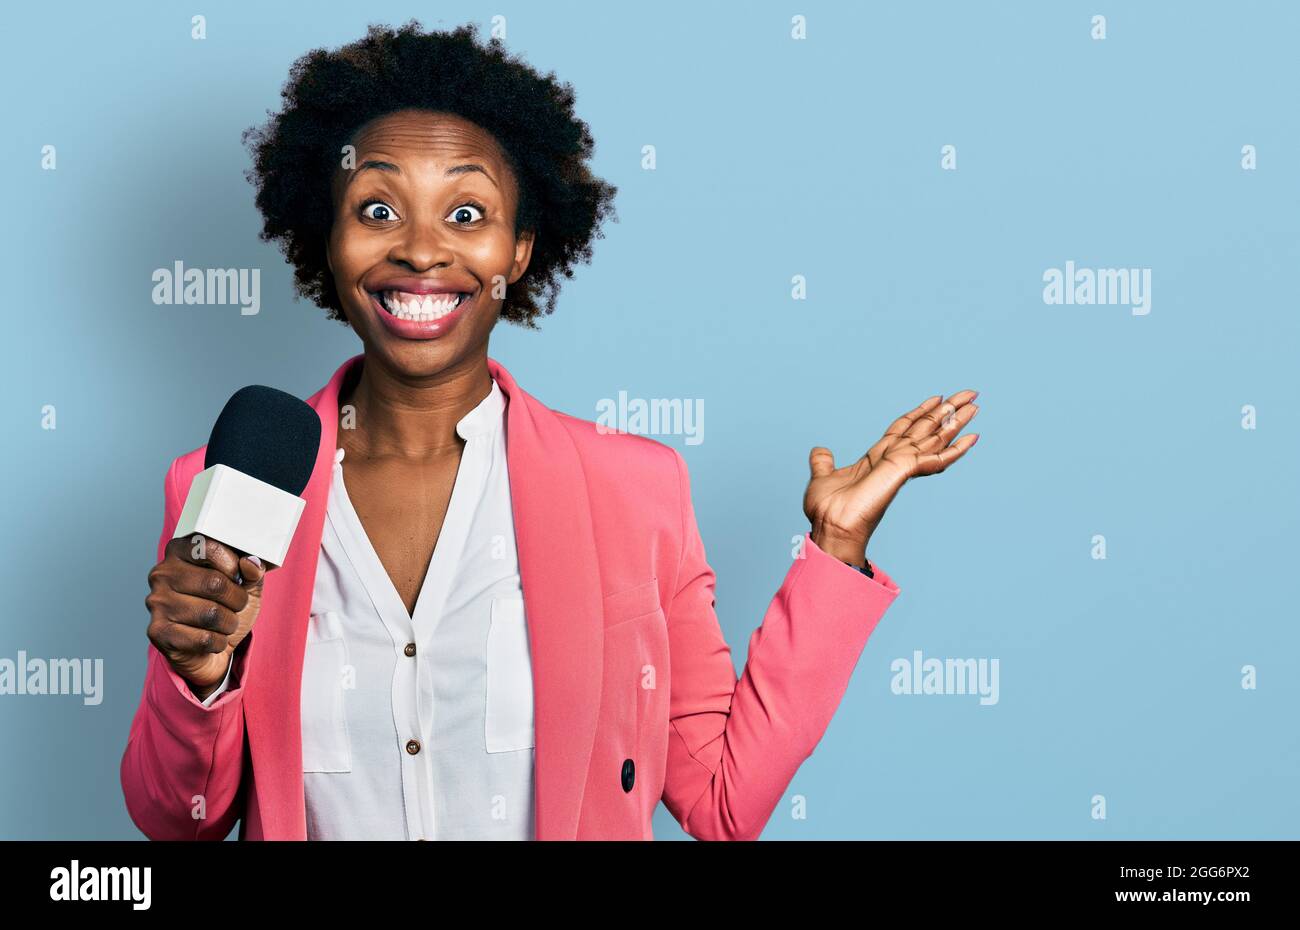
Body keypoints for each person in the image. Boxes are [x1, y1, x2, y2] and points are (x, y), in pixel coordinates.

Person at [123, 21, 980, 841]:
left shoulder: (633, 493)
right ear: (329, 238)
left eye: (466, 215)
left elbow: (725, 802)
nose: (422, 251)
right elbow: (174, 818)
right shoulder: (228, 485)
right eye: (378, 209)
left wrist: (834, 549)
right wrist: (199, 682)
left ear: (521, 250)